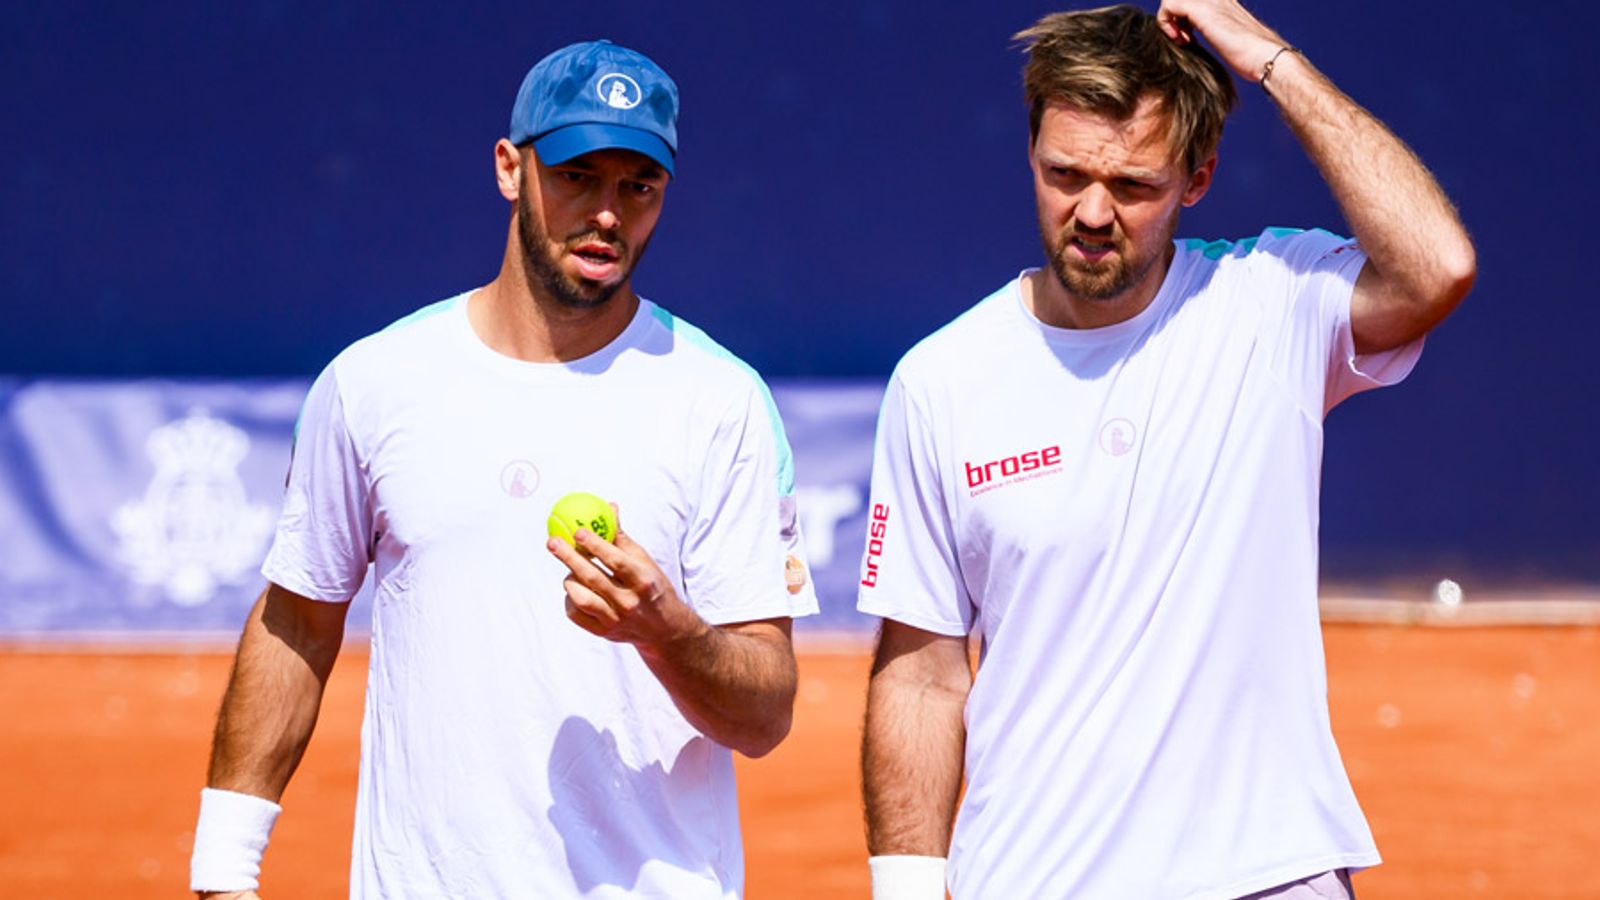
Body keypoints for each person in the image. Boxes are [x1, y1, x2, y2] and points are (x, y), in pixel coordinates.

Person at [857, 2, 1474, 898]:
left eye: (1135, 185)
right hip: (1036, 879)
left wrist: (1270, 60)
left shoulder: (1272, 302)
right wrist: (906, 891)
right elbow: (919, 675)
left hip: (1266, 874)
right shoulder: (939, 381)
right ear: (1030, 152)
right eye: (1065, 174)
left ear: (1198, 177)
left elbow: (1437, 265)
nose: (1093, 212)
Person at [189, 39, 818, 900]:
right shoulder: (373, 385)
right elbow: (298, 619)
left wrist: (669, 632)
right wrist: (224, 868)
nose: (608, 213)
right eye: (576, 175)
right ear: (509, 169)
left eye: (639, 185)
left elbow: (764, 715)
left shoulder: (725, 402)